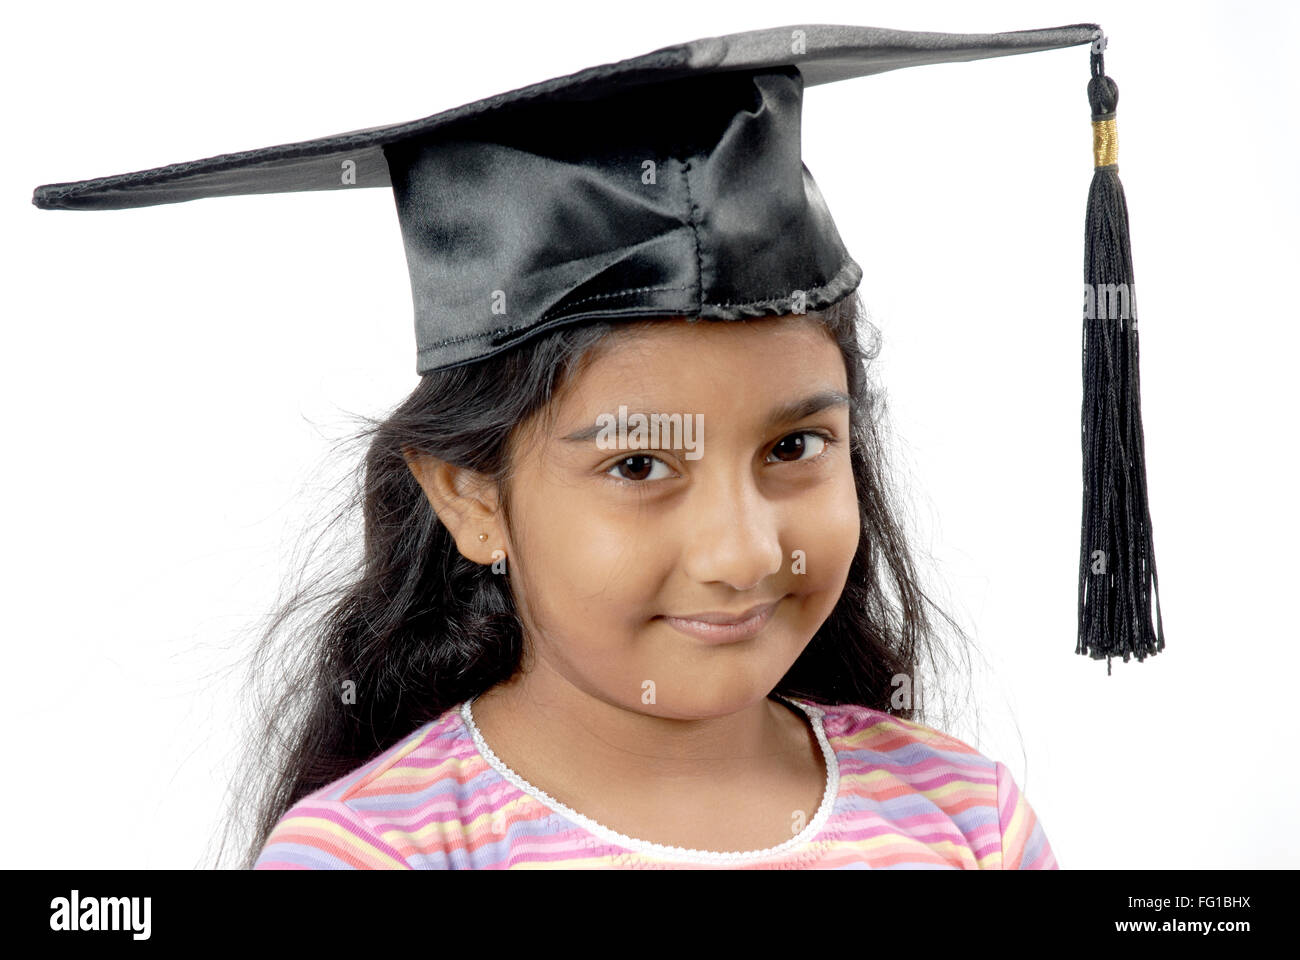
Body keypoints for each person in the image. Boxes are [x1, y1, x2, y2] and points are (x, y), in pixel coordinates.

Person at [35, 22, 1165, 868]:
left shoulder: (963, 818)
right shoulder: (377, 857)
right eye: (637, 466)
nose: (739, 550)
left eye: (795, 449)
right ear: (472, 496)